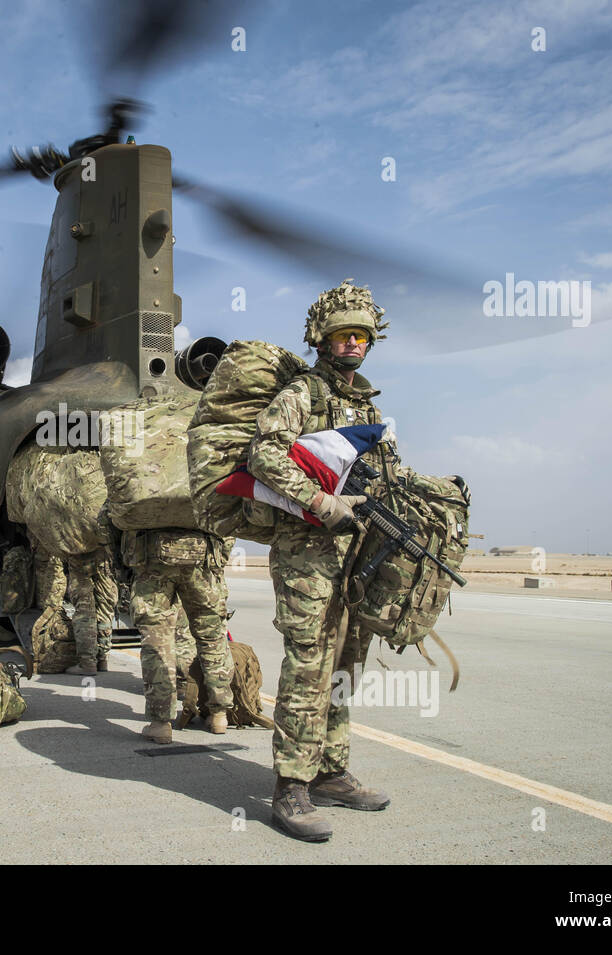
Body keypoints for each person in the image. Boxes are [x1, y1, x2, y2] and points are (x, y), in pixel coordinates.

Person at [247, 279, 394, 842]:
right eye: (342, 335)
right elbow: (263, 453)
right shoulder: (303, 394)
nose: (353, 343)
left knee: (346, 660)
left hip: (357, 552)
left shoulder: (369, 405)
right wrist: (319, 501)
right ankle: (291, 784)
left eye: (361, 335)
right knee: (309, 661)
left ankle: (331, 769)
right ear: (322, 339)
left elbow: (385, 472)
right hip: (307, 552)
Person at [120, 527, 234, 743]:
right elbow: (228, 516)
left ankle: (160, 723)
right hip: (202, 561)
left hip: (153, 561)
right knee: (212, 636)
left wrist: (125, 559)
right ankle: (219, 714)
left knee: (156, 640)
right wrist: (219, 557)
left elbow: (113, 516)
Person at [65, 548, 117, 675]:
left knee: (84, 610)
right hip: (104, 555)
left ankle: (87, 662)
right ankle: (102, 658)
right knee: (104, 608)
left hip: (79, 556)